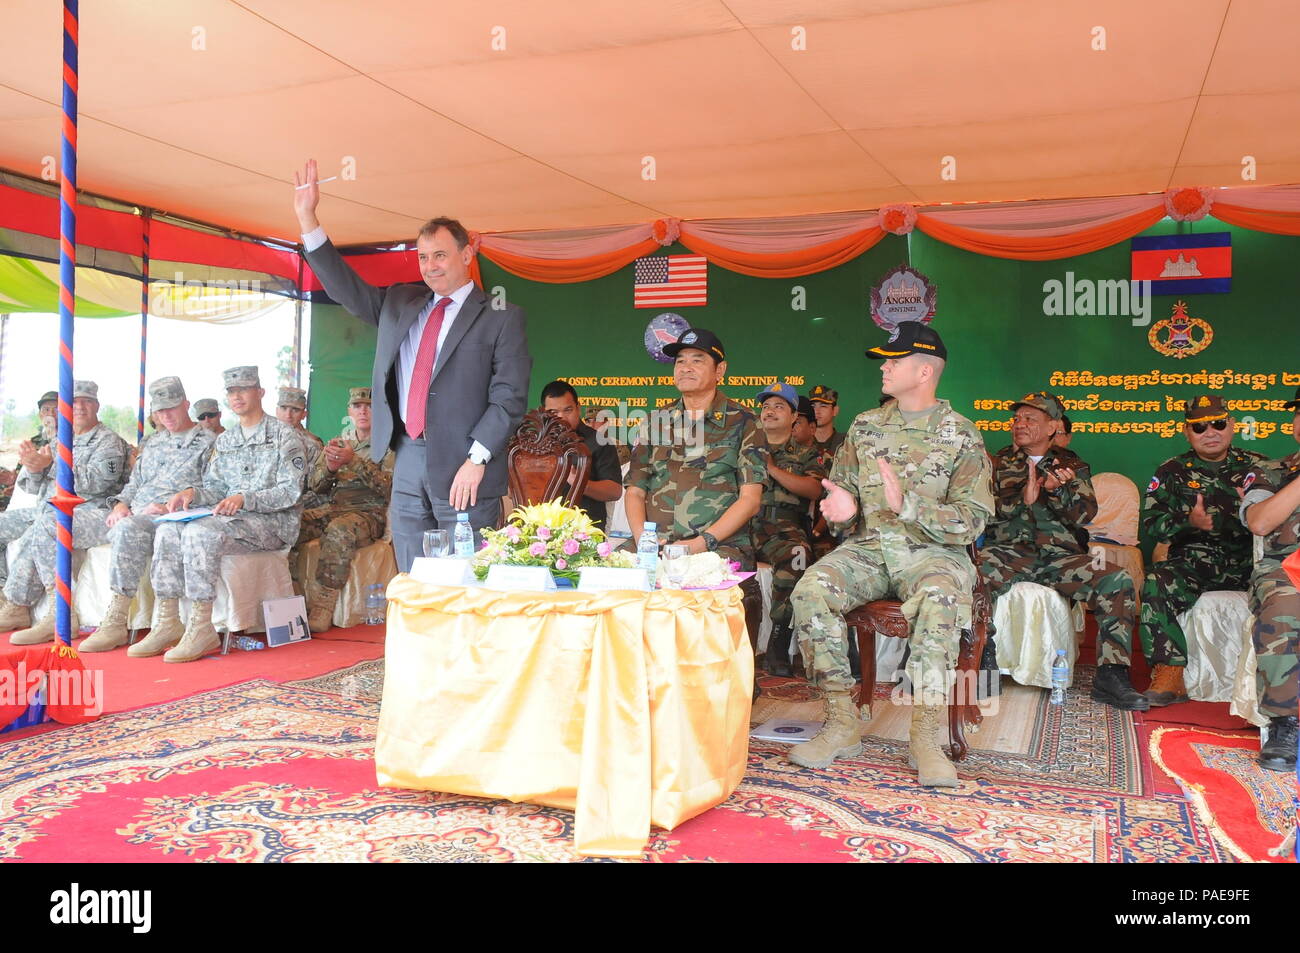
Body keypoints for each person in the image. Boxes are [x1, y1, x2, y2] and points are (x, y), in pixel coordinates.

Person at [295, 159, 531, 571]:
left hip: (464, 466)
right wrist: (308, 219)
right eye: (423, 257)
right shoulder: (401, 303)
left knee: (466, 578)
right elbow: (345, 287)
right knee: (413, 574)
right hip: (406, 459)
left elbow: (508, 398)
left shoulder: (500, 315)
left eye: (440, 255)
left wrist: (477, 461)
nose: (430, 266)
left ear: (467, 253)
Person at [788, 324, 993, 787]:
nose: (884, 367)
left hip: (934, 554)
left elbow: (974, 519)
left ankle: (925, 738)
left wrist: (910, 505)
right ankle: (841, 724)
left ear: (924, 371)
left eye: (893, 361)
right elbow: (841, 497)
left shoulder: (961, 434)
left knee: (940, 600)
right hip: (869, 549)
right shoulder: (865, 426)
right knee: (810, 591)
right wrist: (841, 511)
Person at [979, 391, 1147, 710]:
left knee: (1117, 580)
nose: (1020, 424)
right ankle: (982, 663)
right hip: (1009, 552)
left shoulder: (1072, 466)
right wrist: (1022, 501)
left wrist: (1059, 493)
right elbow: (984, 512)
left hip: (1060, 558)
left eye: (1031, 419)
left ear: (1053, 426)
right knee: (975, 577)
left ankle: (1112, 675)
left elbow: (1085, 516)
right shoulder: (998, 463)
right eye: (1017, 418)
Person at [624, 327, 766, 687]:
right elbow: (635, 490)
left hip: (718, 543)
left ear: (720, 371)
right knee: (608, 578)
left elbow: (750, 500)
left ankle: (724, 686)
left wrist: (698, 545)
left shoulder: (745, 423)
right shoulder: (655, 422)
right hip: (654, 542)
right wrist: (643, 542)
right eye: (680, 360)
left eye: (697, 360)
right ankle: (633, 683)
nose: (685, 367)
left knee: (709, 585)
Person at [148, 366, 306, 662]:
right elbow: (215, 488)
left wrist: (246, 498)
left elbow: (291, 491)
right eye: (232, 392)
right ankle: (168, 620)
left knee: (200, 531)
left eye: (244, 390)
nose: (237, 397)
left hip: (273, 524)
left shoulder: (284, 436)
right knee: (168, 529)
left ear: (260, 393)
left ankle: (201, 625)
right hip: (234, 521)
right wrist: (192, 494)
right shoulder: (227, 440)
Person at [68, 378, 215, 653]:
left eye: (172, 408)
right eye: (160, 411)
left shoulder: (208, 442)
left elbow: (213, 488)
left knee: (128, 529)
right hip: (140, 513)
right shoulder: (156, 443)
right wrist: (121, 503)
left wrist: (169, 505)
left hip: (178, 516)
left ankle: (133, 619)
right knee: (123, 524)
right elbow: (135, 482)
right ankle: (111, 619)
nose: (166, 416)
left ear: (186, 405)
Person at [1139, 396, 1266, 705]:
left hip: (1247, 564)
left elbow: (1280, 519)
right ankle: (1170, 673)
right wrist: (1189, 522)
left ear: (1232, 426)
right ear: (1187, 432)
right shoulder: (1172, 471)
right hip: (1193, 566)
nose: (1210, 432)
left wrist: (1249, 510)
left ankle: (1276, 681)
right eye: (1199, 427)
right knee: (1157, 581)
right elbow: (1151, 523)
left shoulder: (1259, 468)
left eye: (1219, 423)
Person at [5, 381, 132, 643]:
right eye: (74, 402)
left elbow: (98, 484)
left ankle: (59, 613)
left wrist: (50, 465)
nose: (80, 407)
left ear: (97, 406)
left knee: (49, 524)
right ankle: (11, 603)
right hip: (47, 507)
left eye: (86, 401)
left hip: (93, 511)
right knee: (34, 522)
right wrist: (33, 466)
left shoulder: (108, 441)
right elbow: (32, 485)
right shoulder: (60, 440)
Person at [293, 387, 394, 633]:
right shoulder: (339, 442)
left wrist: (353, 461)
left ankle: (323, 605)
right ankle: (292, 596)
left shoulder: (388, 445)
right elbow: (316, 487)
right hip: (334, 508)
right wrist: (328, 467)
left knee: (339, 529)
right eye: (357, 406)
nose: (363, 411)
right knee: (292, 524)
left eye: (369, 406)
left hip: (368, 514)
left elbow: (388, 488)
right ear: (349, 411)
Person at [1239, 385, 1300, 771]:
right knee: (1285, 608)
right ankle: (1284, 721)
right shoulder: (1270, 471)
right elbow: (1259, 522)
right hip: (1284, 568)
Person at [752, 382, 826, 677]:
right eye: (766, 406)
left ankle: (779, 639)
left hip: (783, 528)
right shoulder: (743, 447)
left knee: (799, 556)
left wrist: (771, 467)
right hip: (742, 524)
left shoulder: (808, 454)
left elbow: (813, 490)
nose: (769, 411)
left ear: (795, 417)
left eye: (779, 406)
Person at [0, 391, 57, 620]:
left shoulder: (76, 440)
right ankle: (2, 592)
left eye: (56, 409)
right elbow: (29, 484)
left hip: (62, 510)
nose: (51, 414)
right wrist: (34, 468)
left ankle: (18, 607)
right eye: (46, 410)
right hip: (37, 505)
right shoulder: (36, 442)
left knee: (39, 530)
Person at [538, 380, 622, 531]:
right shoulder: (534, 442)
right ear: (544, 413)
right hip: (540, 528)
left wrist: (579, 482)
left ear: (578, 408)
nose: (562, 418)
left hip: (585, 533)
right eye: (553, 413)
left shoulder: (599, 441)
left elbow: (614, 491)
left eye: (568, 410)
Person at [809, 384, 846, 458]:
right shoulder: (799, 442)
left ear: (835, 410)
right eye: (813, 406)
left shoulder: (846, 443)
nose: (816, 411)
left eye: (823, 406)